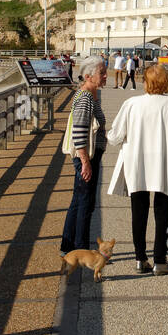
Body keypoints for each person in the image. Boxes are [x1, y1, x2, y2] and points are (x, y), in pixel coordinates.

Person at [106, 64, 168, 275]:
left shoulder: (132, 104)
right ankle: (160, 260)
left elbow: (115, 136)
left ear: (146, 82)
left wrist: (112, 134)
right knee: (163, 211)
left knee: (138, 211)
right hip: (165, 164)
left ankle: (140, 258)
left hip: (137, 163)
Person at [61, 56, 108, 253]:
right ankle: (80, 248)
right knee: (85, 202)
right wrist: (85, 162)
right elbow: (78, 131)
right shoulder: (85, 98)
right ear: (88, 76)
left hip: (89, 156)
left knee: (79, 199)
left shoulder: (91, 94)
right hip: (86, 157)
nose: (106, 76)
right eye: (102, 73)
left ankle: (69, 246)